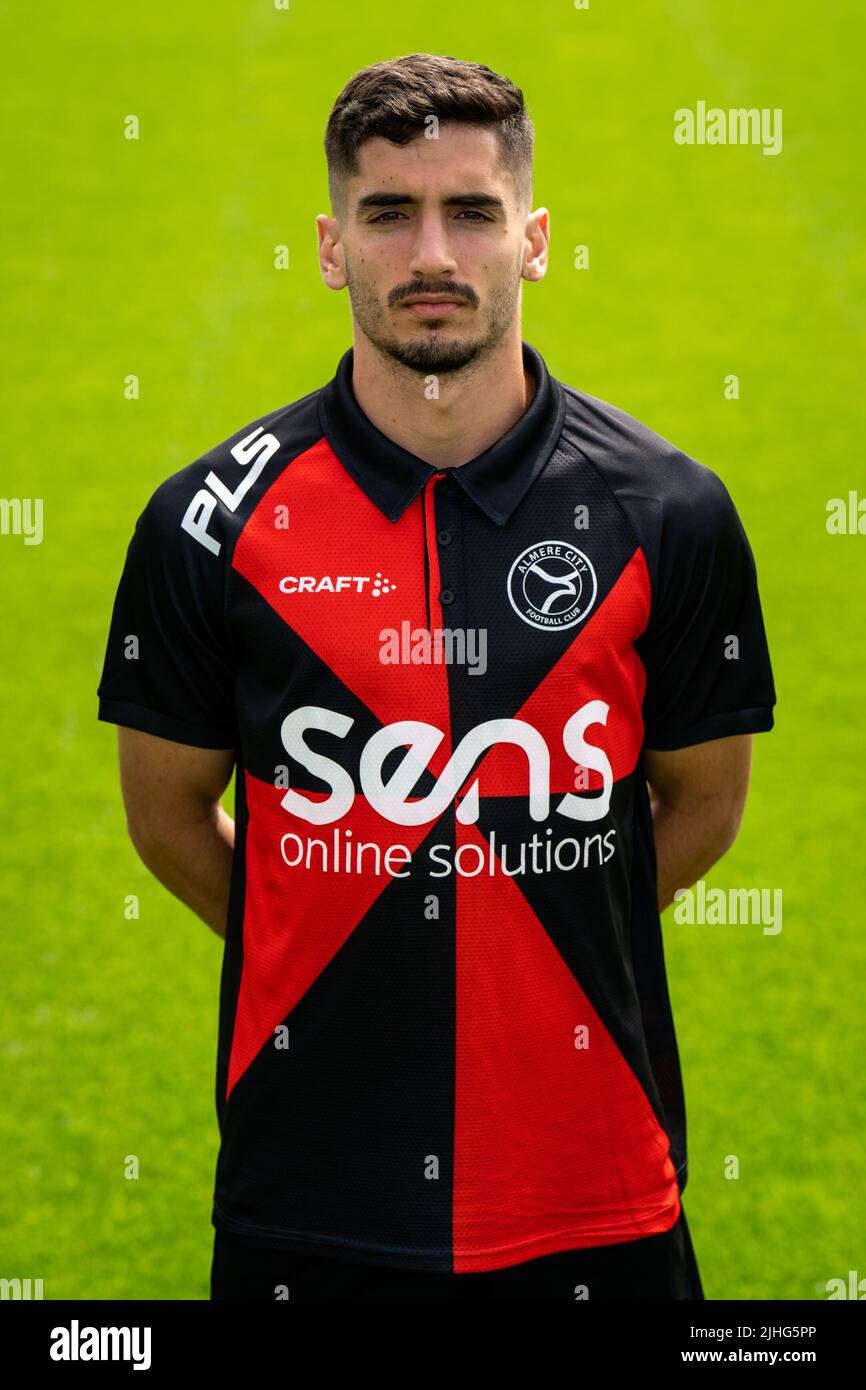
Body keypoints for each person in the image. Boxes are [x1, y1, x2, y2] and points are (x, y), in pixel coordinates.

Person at [96, 52, 776, 1301]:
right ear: (328, 246)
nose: (430, 255)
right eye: (387, 213)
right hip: (308, 1196)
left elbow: (703, 804)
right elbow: (165, 816)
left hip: (597, 1192)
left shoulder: (668, 511)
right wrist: (345, 936)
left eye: (469, 211)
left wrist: (528, 919)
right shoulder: (205, 524)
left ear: (533, 240)